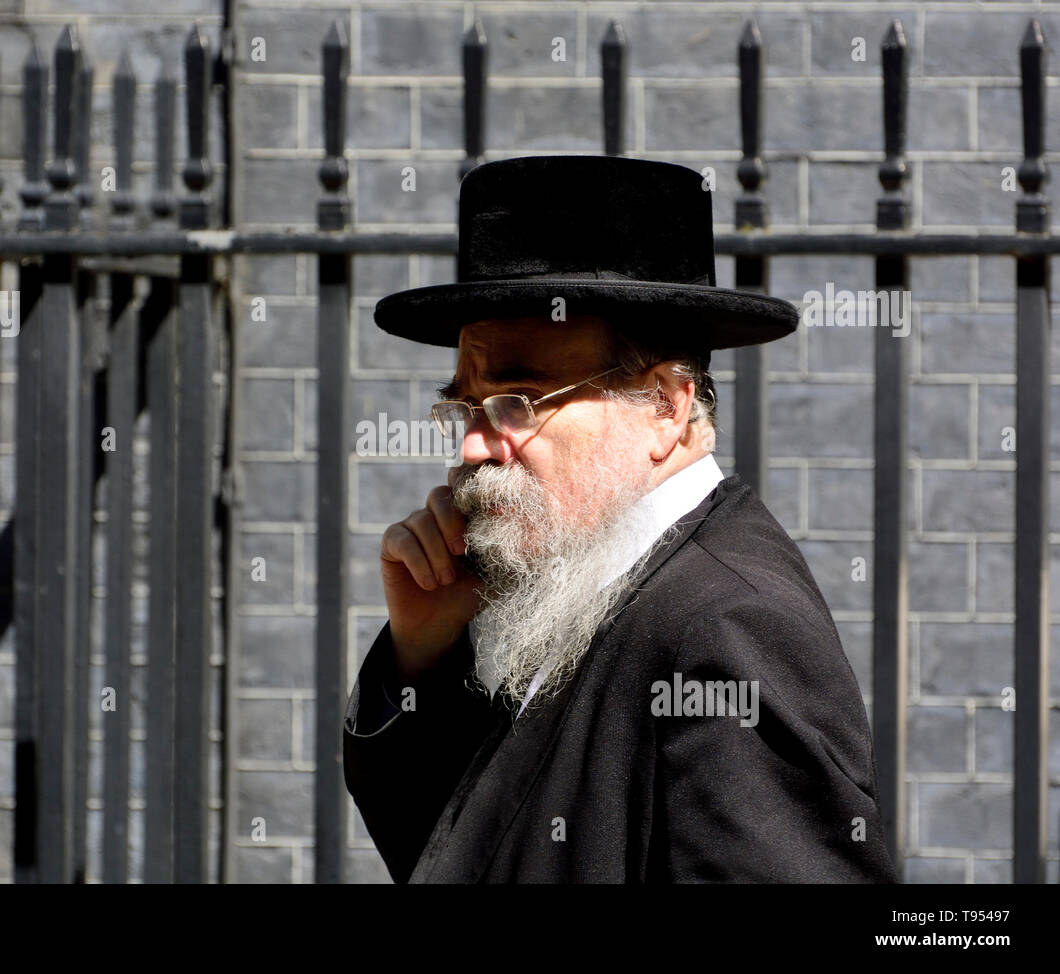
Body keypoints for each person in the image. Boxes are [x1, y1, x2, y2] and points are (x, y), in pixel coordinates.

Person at [342, 154, 898, 883]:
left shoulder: (726, 629)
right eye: (467, 408)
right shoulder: (577, 591)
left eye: (519, 400)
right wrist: (425, 660)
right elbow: (471, 854)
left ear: (665, 406)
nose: (475, 445)